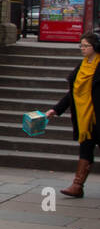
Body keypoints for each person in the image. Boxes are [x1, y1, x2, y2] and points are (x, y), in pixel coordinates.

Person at [44, 31, 100, 198]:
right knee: (85, 149)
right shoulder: (82, 66)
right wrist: (56, 109)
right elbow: (73, 93)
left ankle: (77, 186)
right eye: (81, 46)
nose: (82, 49)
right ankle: (77, 185)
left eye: (86, 46)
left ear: (95, 47)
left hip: (97, 116)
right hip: (84, 117)